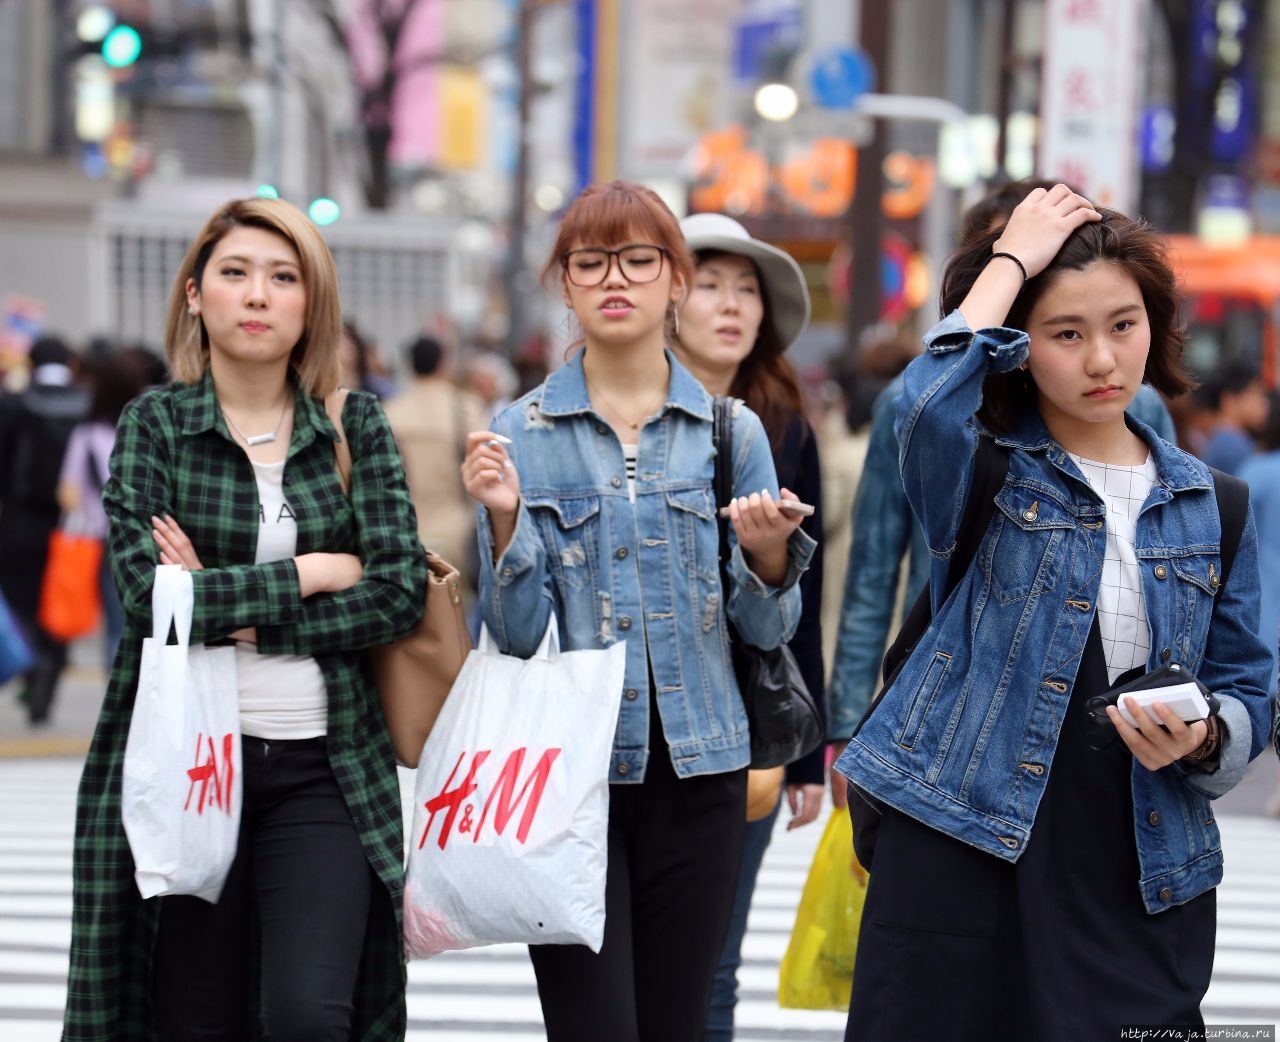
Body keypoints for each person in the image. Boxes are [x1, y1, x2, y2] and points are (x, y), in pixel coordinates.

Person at [833, 184, 1274, 1040]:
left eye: (1123, 325)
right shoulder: (981, 471)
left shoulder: (1214, 502)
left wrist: (1205, 735)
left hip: (1139, 853)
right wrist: (1008, 261)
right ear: (1020, 347)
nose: (1103, 359)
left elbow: (1248, 684)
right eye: (1066, 334)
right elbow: (921, 403)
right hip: (962, 842)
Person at [63, 197, 427, 1041]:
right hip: (190, 757)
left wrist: (235, 610)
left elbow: (397, 592)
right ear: (196, 296)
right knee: (195, 1019)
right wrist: (313, 571)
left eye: (283, 277)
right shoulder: (156, 424)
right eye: (235, 273)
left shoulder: (354, 424)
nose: (258, 294)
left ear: (310, 303)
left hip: (325, 765)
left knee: (308, 1015)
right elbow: (148, 598)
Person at [461, 180, 815, 1042]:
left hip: (703, 772)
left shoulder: (730, 432)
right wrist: (505, 521)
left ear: (674, 280)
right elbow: (513, 636)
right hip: (568, 780)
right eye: (591, 262)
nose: (614, 278)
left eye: (639, 260)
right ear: (567, 284)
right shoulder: (520, 431)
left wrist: (768, 558)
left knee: (675, 1024)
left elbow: (769, 632)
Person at [826, 183, 1178, 785]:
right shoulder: (936, 420)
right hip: (952, 720)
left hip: (1117, 756)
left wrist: (1209, 731)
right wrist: (849, 719)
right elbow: (873, 571)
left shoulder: (1150, 425)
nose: (1100, 359)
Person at [669, 211, 825, 1042]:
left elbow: (807, 593)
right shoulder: (620, 424)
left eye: (746, 290)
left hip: (744, 721)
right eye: (710, 285)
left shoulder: (786, 428)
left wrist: (807, 750)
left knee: (715, 964)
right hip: (631, 726)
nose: (731, 305)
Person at [0, 334, 89, 724]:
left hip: (18, 522)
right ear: (70, 363)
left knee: (21, 600)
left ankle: (29, 665)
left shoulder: (14, 404)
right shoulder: (86, 403)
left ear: (31, 364)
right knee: (61, 601)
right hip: (72, 525)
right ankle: (50, 675)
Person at [56, 348, 151, 671]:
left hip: (103, 536)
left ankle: (117, 686)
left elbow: (67, 493)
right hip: (149, 536)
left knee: (115, 621)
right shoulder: (147, 430)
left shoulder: (86, 435)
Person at [384, 333, 486, 583]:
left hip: (405, 527)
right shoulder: (465, 408)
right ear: (443, 363)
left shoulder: (390, 411)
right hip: (458, 528)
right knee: (457, 601)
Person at [1197, 360, 1270, 475]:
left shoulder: (1227, 440)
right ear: (1230, 400)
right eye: (1255, 394)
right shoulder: (1231, 445)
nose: (1264, 403)